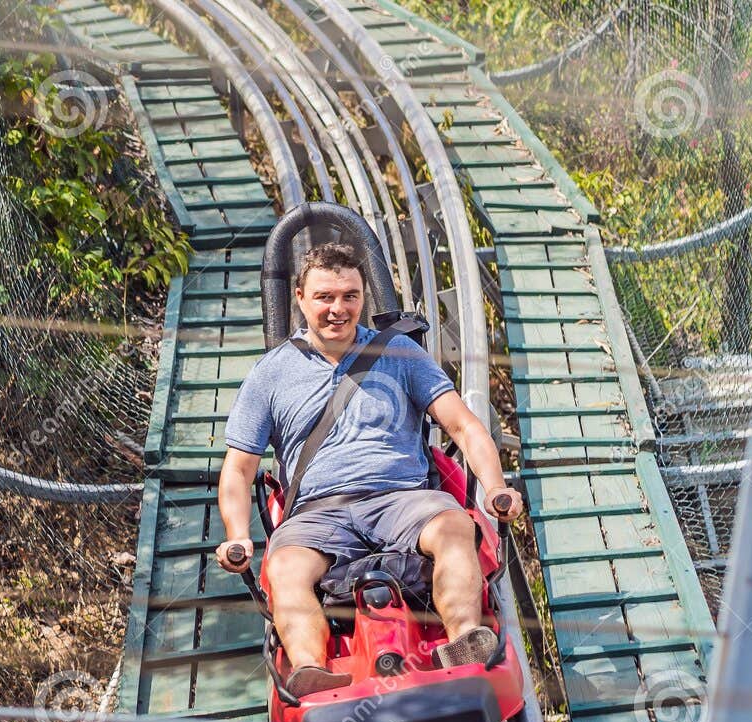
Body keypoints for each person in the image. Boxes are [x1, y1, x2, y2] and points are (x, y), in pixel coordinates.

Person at [214, 242, 524, 698]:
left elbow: (463, 425)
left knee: (457, 527)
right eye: (325, 297)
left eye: (350, 296)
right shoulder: (270, 374)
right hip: (320, 512)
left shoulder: (400, 353)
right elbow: (239, 471)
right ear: (299, 297)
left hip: (404, 499)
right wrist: (237, 533)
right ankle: (309, 668)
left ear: (363, 297)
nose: (338, 309)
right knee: (284, 565)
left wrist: (496, 488)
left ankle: (464, 642)